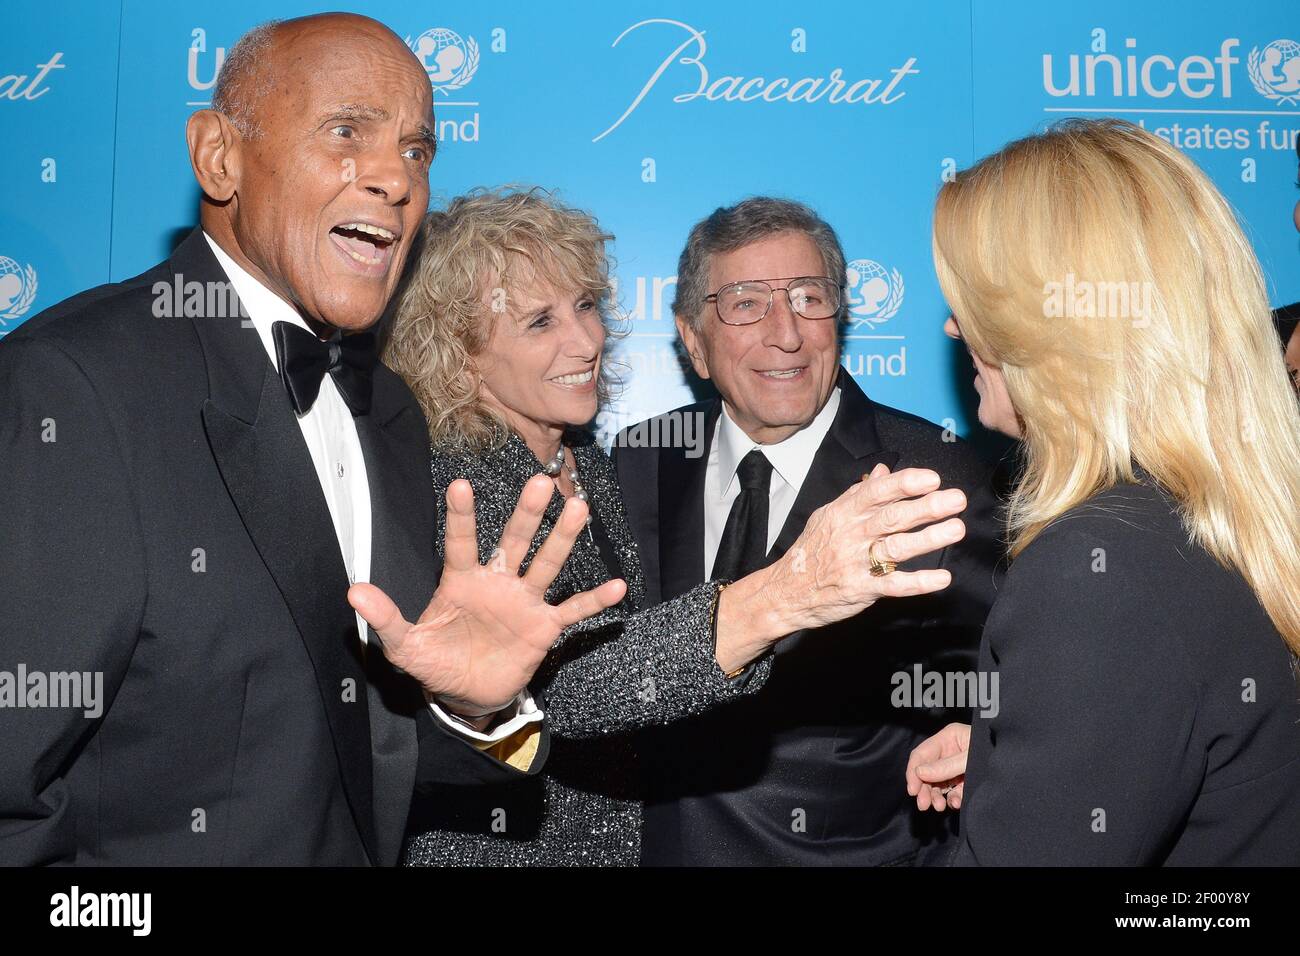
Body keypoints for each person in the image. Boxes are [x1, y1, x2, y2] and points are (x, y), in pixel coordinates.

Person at [0, 14, 628, 866]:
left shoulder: (392, 412)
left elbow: (349, 756)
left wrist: (474, 709)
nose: (395, 179)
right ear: (219, 156)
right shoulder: (73, 385)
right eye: (346, 132)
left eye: (416, 150)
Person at [383, 187, 973, 865]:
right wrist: (782, 593)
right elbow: (563, 687)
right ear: (460, 355)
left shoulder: (598, 463)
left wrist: (969, 727)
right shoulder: (458, 486)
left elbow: (990, 670)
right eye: (539, 322)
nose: (587, 340)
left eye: (584, 305)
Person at [908, 117, 1300, 865]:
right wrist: (1025, 761)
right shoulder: (1230, 513)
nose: (956, 330)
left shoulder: (1098, 569)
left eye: (978, 302)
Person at [614, 197, 1005, 866]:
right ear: (693, 342)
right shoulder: (640, 460)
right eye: (745, 304)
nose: (787, 334)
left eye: (808, 297)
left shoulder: (933, 473)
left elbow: (1017, 679)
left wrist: (979, 734)